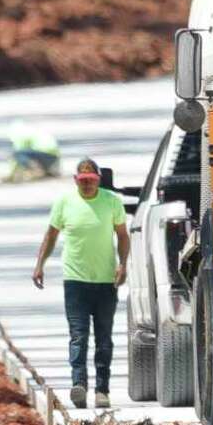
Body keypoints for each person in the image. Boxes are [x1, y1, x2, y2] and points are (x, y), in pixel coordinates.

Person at [32, 157, 130, 409]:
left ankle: (102, 390)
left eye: (92, 180)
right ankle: (79, 385)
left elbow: (122, 236)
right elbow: (51, 235)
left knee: (104, 338)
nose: (87, 184)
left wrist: (123, 264)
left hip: (105, 281)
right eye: (83, 180)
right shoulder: (64, 203)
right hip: (75, 280)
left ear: (99, 180)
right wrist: (40, 264)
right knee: (78, 336)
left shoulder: (111, 201)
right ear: (76, 180)